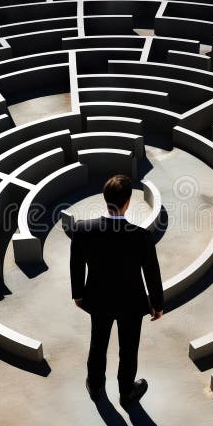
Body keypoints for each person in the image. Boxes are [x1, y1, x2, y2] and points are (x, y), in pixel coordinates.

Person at [70, 174, 164, 407]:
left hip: (98, 299)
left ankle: (95, 385)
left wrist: (78, 294)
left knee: (98, 343)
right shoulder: (142, 237)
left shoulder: (83, 230)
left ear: (105, 199)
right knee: (129, 349)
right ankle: (126, 391)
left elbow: (76, 262)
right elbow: (152, 273)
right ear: (128, 201)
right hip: (131, 304)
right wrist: (157, 304)